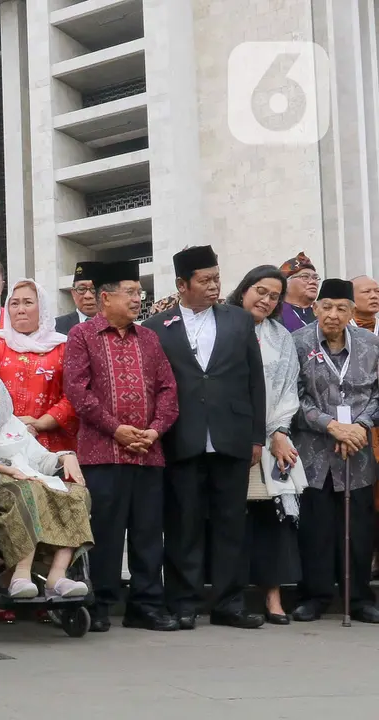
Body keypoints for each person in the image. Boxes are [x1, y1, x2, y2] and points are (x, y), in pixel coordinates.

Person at [144, 245, 266, 630]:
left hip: (232, 436)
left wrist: (256, 437)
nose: (215, 287)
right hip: (182, 437)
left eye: (217, 278)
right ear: (182, 285)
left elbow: (255, 382)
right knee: (184, 523)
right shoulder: (156, 328)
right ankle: (184, 602)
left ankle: (230, 602)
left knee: (232, 523)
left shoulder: (238, 321)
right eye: (205, 280)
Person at [64, 260, 180, 632]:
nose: (137, 299)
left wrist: (156, 430)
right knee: (106, 535)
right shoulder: (82, 335)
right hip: (102, 454)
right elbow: (77, 392)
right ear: (105, 297)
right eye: (130, 292)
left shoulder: (149, 338)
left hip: (148, 453)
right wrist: (117, 430)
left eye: (139, 292)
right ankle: (99, 605)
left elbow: (168, 390)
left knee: (148, 532)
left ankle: (145, 605)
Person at [0, 372, 93, 599]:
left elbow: (41, 459)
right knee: (25, 489)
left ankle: (57, 576)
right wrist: (3, 468)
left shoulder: (12, 426)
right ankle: (20, 576)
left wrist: (65, 456)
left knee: (77, 494)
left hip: (28, 481)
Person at [290, 279, 379, 623]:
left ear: (352, 312)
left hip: (356, 450)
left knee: (358, 528)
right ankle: (314, 595)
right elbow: (292, 398)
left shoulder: (371, 345)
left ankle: (358, 598)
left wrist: (359, 426)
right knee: (315, 528)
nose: (333, 314)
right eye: (326, 306)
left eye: (342, 308)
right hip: (313, 452)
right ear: (315, 308)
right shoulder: (297, 343)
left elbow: (376, 395)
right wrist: (331, 425)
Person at [226, 266, 305, 625]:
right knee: (232, 520)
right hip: (229, 437)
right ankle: (232, 598)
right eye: (260, 290)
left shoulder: (280, 337)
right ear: (244, 289)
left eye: (274, 296)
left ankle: (273, 598)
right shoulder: (222, 325)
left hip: (272, 438)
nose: (266, 300)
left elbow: (289, 388)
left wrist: (277, 432)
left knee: (272, 519)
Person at [0, 279, 77, 452]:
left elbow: (73, 395)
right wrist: (15, 426)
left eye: (28, 303)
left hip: (52, 438)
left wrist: (41, 423)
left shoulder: (63, 347)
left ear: (42, 308)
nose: (20, 310)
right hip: (2, 438)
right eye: (14, 303)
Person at [56, 261, 102, 334]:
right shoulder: (57, 326)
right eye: (81, 289)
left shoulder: (118, 325)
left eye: (94, 289)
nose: (88, 296)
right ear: (73, 293)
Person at [279, 252, 319, 332]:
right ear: (286, 284)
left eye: (315, 278)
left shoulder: (321, 314)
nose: (313, 282)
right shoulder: (274, 314)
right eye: (305, 277)